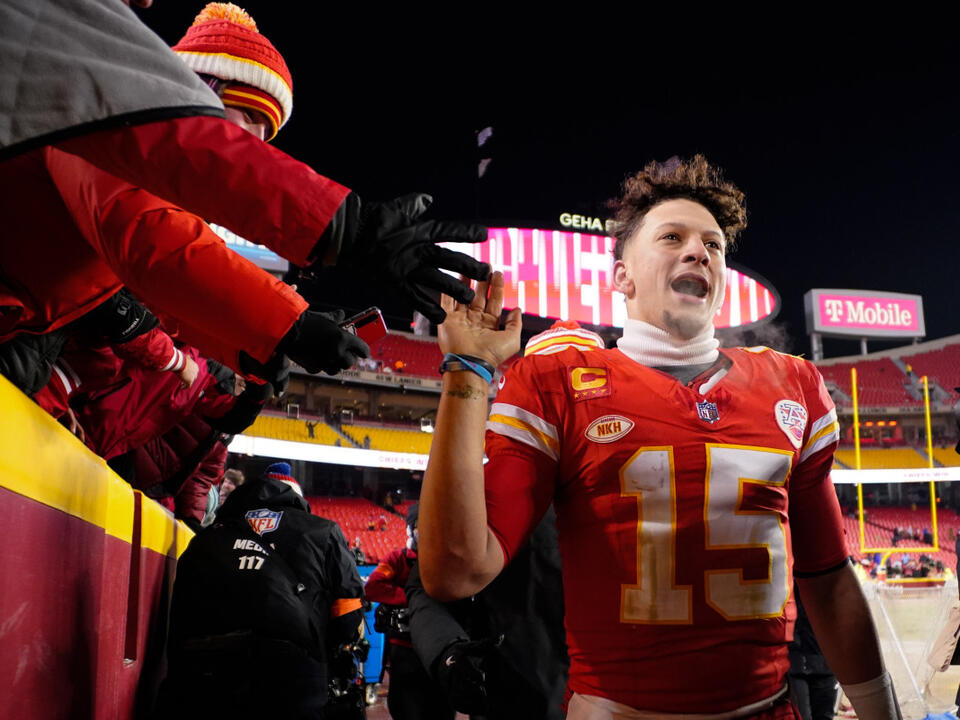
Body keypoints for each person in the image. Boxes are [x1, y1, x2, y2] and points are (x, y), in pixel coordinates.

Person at [419, 156, 900, 720]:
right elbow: (455, 570)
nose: (698, 251)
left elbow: (828, 578)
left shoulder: (791, 384)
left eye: (713, 245)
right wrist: (466, 373)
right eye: (672, 237)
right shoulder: (558, 382)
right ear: (622, 275)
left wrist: (881, 711)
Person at [0, 1, 489, 378]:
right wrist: (294, 312)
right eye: (248, 117)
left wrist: (265, 340)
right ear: (201, 93)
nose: (255, 141)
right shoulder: (105, 117)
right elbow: (152, 240)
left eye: (266, 131)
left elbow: (165, 293)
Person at [158, 462, 364, 719]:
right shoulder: (323, 531)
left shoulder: (206, 537)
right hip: (293, 677)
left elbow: (179, 618)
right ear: (296, 496)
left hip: (205, 676)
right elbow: (348, 614)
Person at [364, 504, 453, 720]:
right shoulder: (397, 559)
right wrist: (414, 599)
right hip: (405, 651)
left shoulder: (450, 561)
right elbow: (373, 586)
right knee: (405, 709)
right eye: (421, 525)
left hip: (439, 651)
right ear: (410, 529)